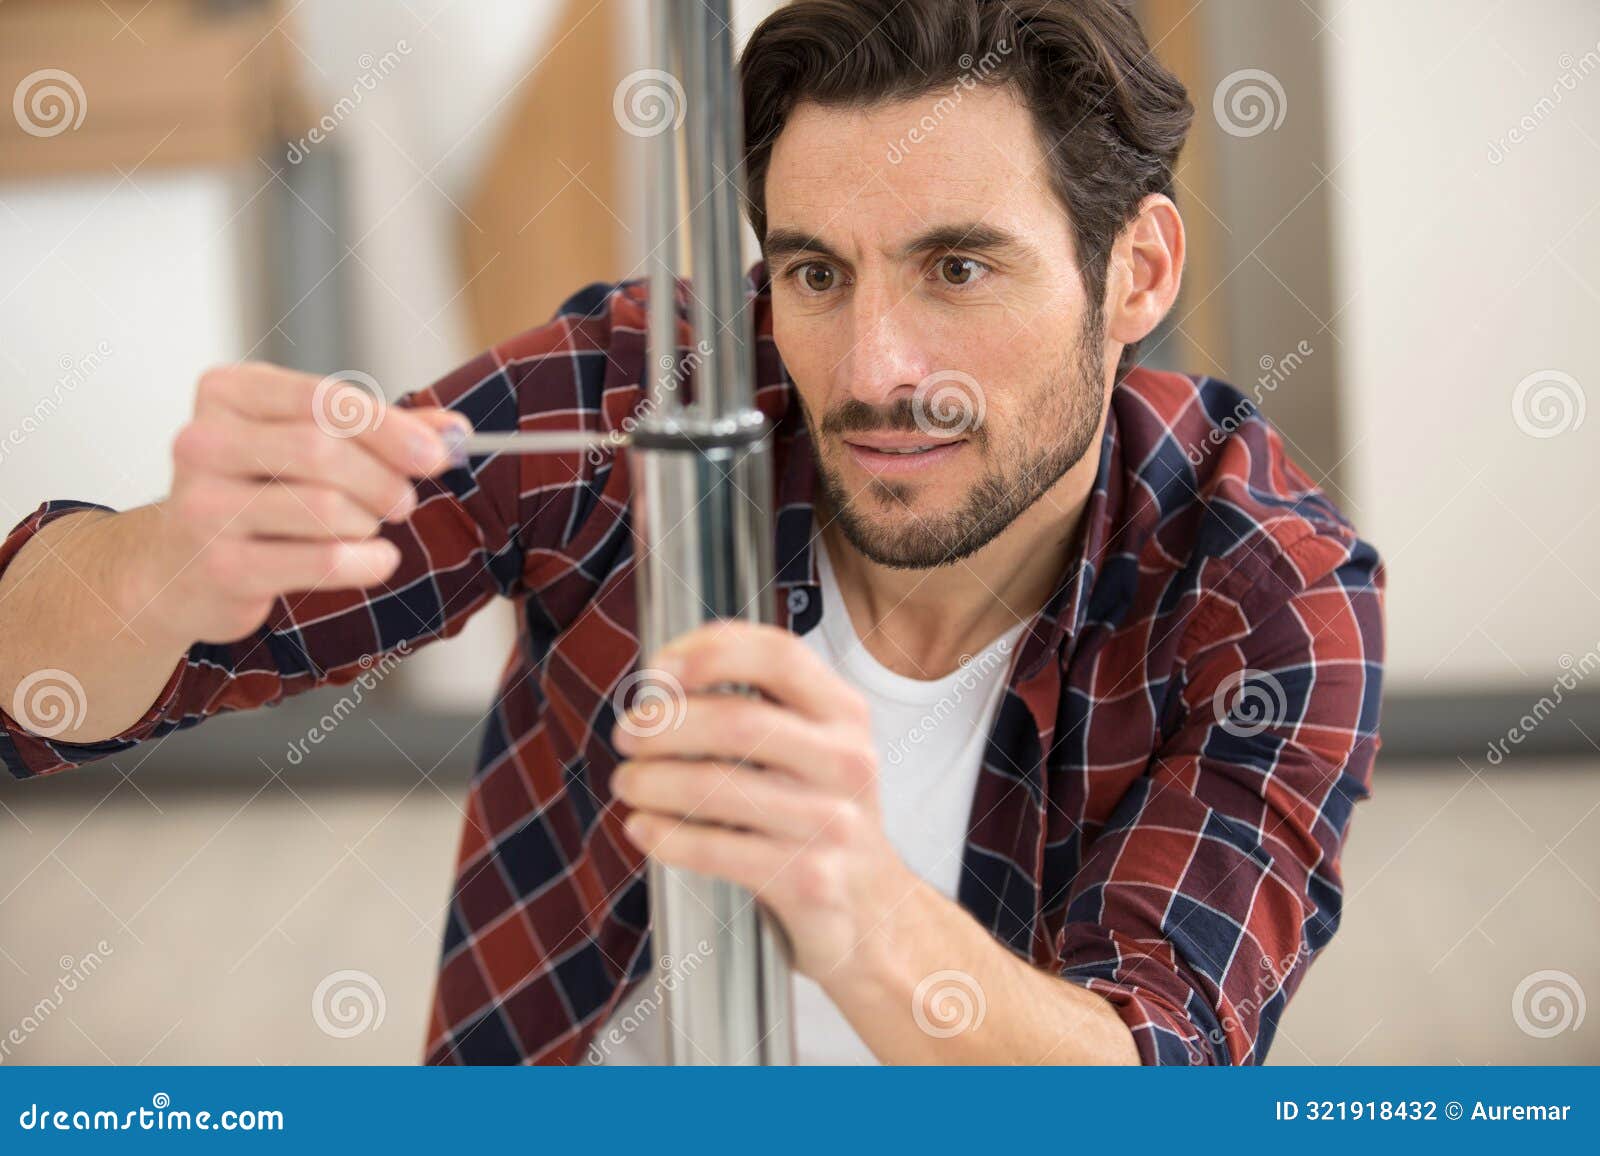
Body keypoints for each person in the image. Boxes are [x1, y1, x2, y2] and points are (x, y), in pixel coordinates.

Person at [0, 0, 1384, 1065]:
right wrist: (161, 563)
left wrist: (852, 904)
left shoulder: (1265, 592)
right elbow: (32, 692)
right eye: (815, 271)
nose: (874, 365)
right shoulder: (640, 394)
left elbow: (1159, 1072)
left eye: (957, 268)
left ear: (1135, 269)